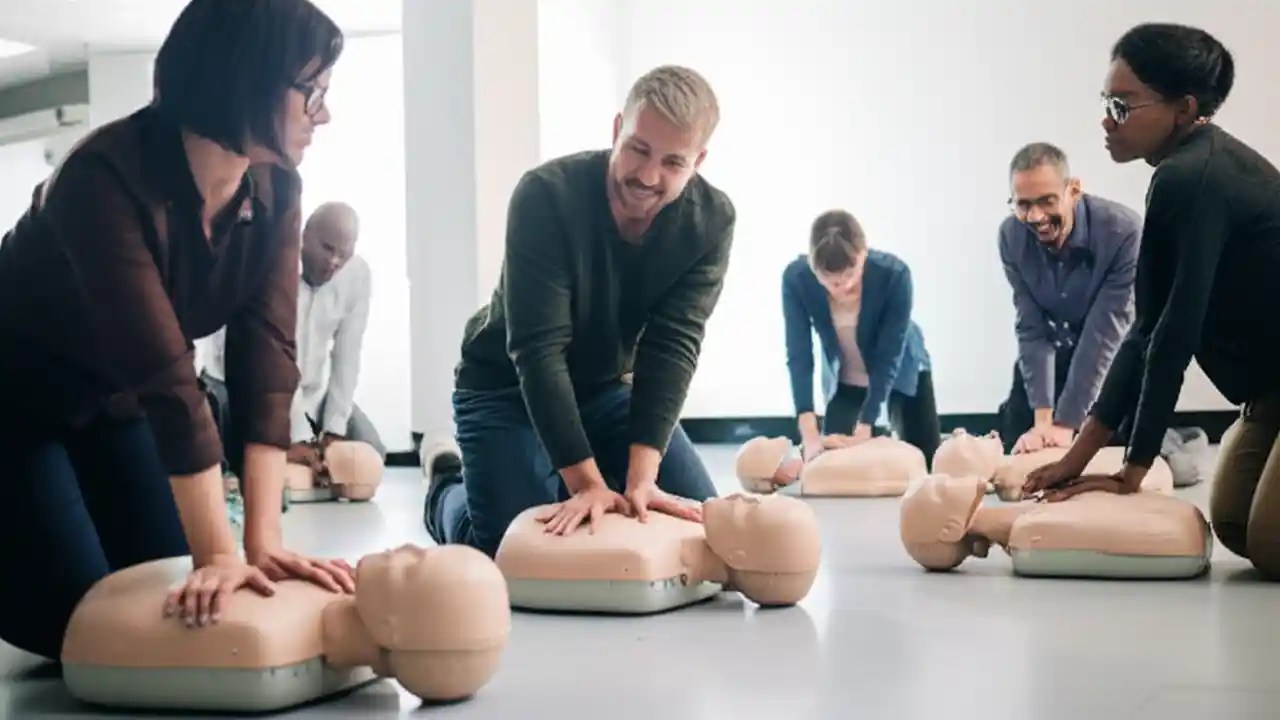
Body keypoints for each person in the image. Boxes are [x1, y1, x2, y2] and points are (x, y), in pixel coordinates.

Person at [0, 0, 355, 661]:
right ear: (246, 78)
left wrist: (261, 543)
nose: (323, 114)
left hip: (116, 401)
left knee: (169, 596)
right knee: (68, 621)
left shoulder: (277, 189)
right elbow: (163, 372)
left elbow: (267, 361)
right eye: (313, 94)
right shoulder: (100, 179)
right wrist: (218, 548)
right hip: (16, 397)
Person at [421, 65, 736, 558]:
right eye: (638, 149)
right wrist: (587, 482)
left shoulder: (712, 220)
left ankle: (579, 479)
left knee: (693, 520)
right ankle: (446, 483)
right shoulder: (546, 195)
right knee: (513, 551)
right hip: (504, 388)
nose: (649, 176)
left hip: (605, 391)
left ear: (698, 160)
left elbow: (673, 345)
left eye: (673, 162)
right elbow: (537, 349)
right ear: (617, 130)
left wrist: (643, 480)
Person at [1023, 24, 1280, 577]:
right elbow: (1146, 331)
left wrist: (1131, 471)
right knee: (1235, 528)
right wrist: (1076, 462)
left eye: (1122, 105)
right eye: (1106, 102)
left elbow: (1174, 336)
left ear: (1183, 110)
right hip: (1268, 395)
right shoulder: (1180, 172)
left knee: (1274, 548)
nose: (1107, 119)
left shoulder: (1196, 178)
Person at [202, 200, 382, 477]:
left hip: (312, 394)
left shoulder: (357, 275)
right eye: (327, 248)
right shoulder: (273, 265)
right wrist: (297, 437)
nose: (334, 262)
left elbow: (348, 356)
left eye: (343, 254)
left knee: (370, 454)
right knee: (242, 455)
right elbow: (277, 360)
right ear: (304, 237)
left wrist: (333, 431)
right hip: (250, 386)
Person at [996, 142, 1141, 455]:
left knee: (1119, 453)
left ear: (1073, 190)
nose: (1035, 217)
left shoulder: (1124, 232)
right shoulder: (1010, 236)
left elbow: (1103, 333)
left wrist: (1066, 425)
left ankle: (1175, 442)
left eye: (1047, 201)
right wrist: (1043, 422)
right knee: (1018, 448)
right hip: (1058, 348)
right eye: (1023, 205)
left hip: (1117, 355)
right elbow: (1032, 327)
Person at [782, 209, 940, 465]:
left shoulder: (894, 275)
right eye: (830, 281)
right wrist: (809, 433)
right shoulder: (797, 280)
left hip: (901, 368)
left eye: (850, 275)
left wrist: (867, 423)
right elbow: (799, 355)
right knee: (833, 464)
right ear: (813, 265)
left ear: (863, 253)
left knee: (925, 460)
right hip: (846, 378)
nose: (842, 287)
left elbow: (890, 356)